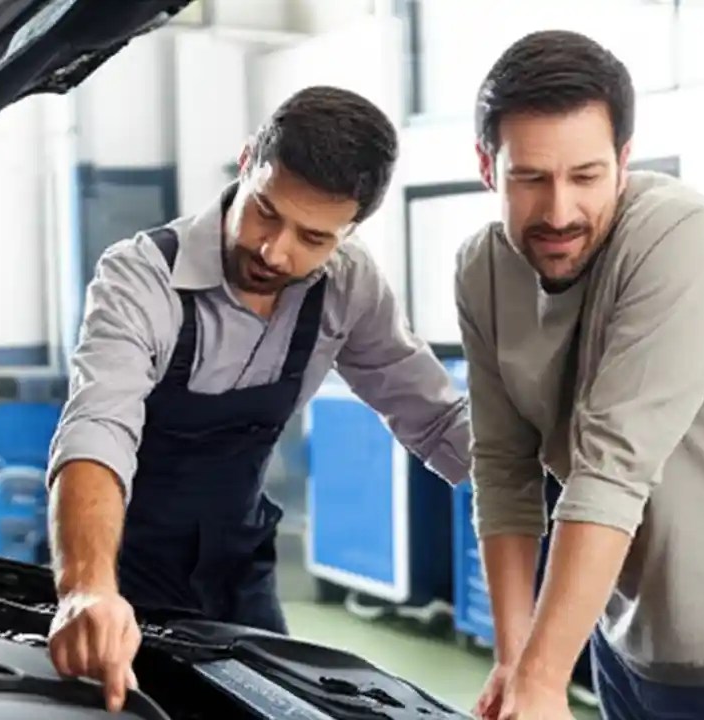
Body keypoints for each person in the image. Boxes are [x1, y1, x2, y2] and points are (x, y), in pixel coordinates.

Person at [44, 85, 472, 712]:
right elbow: (96, 428)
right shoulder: (140, 277)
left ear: (349, 230)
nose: (276, 251)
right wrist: (86, 589)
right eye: (266, 211)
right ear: (247, 162)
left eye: (314, 237)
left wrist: (557, 506)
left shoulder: (348, 287)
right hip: (121, 573)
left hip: (242, 574)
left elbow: (436, 420)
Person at [455, 29, 704, 720]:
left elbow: (611, 467)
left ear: (624, 160)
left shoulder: (681, 238)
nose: (559, 212)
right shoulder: (482, 270)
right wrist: (517, 657)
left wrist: (540, 678)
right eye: (529, 178)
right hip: (616, 645)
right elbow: (503, 468)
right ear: (486, 166)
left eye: (586, 176)